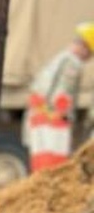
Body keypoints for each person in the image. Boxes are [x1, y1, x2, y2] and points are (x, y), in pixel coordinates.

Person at [26, 22, 94, 172]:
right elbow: (63, 93)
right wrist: (62, 115)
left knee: (40, 158)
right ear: (85, 48)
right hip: (53, 119)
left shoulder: (63, 57)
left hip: (41, 114)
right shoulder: (73, 63)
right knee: (54, 163)